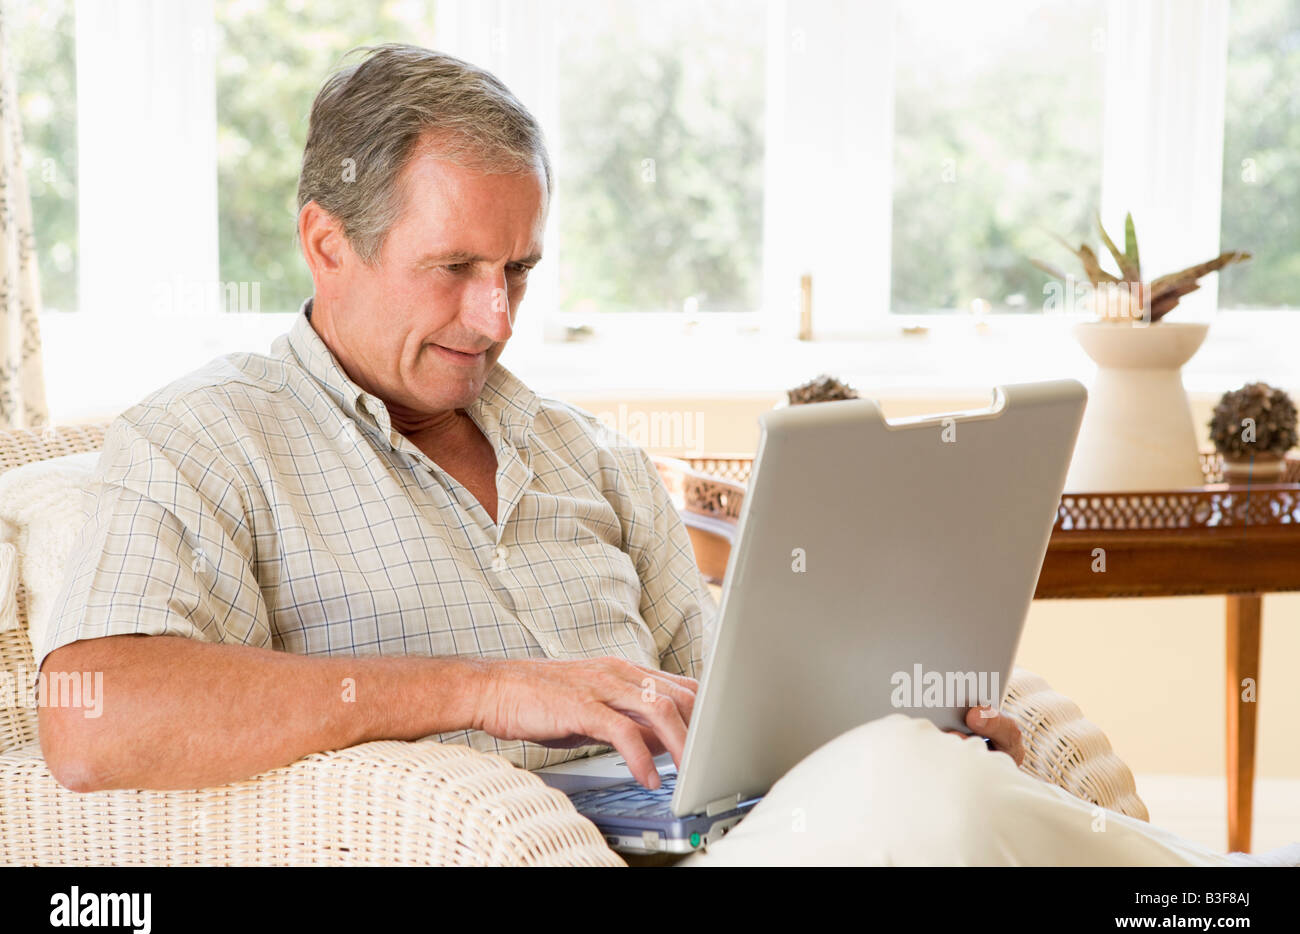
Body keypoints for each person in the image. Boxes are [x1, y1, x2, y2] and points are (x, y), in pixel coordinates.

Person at [36, 44, 1293, 866]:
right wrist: (482, 687)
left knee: (956, 788)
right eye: (456, 270)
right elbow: (91, 720)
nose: (496, 317)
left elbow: (727, 701)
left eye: (519, 269)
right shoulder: (204, 440)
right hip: (521, 840)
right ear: (325, 243)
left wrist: (895, 715)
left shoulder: (581, 451)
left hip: (732, 839)